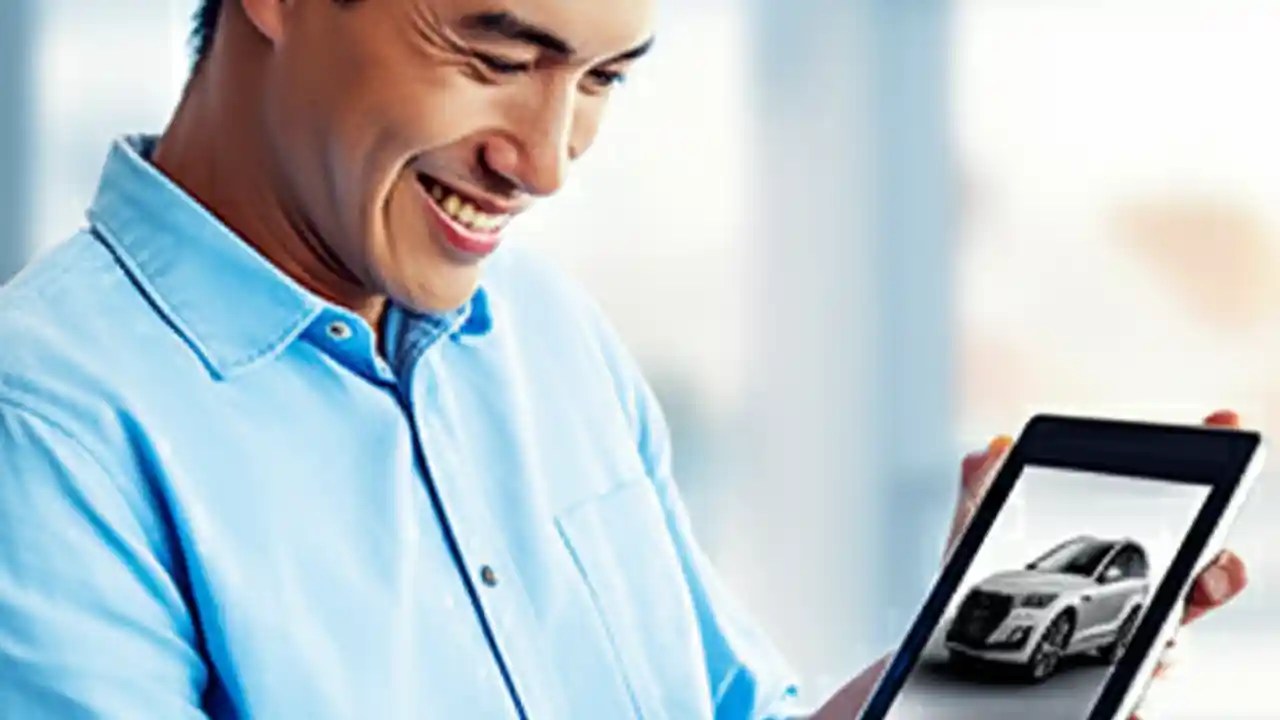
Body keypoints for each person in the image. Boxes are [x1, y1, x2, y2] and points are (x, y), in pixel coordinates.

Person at [0, 1, 1247, 718]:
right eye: (494, 58)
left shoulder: (545, 340)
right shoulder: (47, 428)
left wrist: (957, 673)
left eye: (599, 78)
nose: (544, 162)